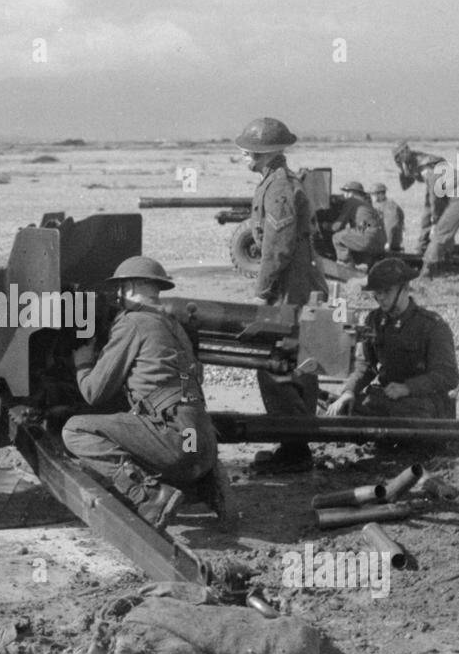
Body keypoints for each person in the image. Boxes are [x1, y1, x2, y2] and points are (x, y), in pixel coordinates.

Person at [62, 256, 222, 529]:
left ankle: (149, 495)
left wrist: (83, 361)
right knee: (156, 424)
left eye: (120, 289)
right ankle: (207, 486)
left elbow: (92, 393)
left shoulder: (133, 323)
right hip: (200, 442)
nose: (117, 296)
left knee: (75, 430)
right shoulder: (174, 324)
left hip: (175, 445)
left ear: (132, 287)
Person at [236, 116, 321, 473]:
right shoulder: (275, 182)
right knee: (295, 365)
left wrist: (262, 291)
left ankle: (295, 451)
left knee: (278, 366)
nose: (243, 157)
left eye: (247, 152)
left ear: (263, 154)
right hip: (295, 288)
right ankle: (294, 446)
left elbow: (278, 247)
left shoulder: (280, 188)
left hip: (289, 291)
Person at [325, 258, 459, 419]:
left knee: (412, 414)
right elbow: (366, 365)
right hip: (388, 398)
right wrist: (349, 391)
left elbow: (448, 375)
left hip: (423, 401)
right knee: (339, 406)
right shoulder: (374, 320)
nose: (380, 297)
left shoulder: (431, 325)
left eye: (387, 291)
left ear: (405, 289)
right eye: (377, 292)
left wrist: (408, 388)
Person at [393, 141, 459, 277]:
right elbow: (428, 205)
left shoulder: (426, 168)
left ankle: (426, 273)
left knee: (440, 232)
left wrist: (435, 222)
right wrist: (422, 241)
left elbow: (435, 197)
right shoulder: (426, 163)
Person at [332, 181, 386, 268]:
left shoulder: (351, 201)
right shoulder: (366, 203)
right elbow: (368, 224)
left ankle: (345, 264)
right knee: (351, 234)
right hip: (380, 241)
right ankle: (363, 263)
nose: (344, 194)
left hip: (369, 239)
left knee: (337, 237)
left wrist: (327, 226)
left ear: (352, 193)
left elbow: (338, 226)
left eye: (346, 192)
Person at [370, 182, 405, 252]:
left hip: (390, 243)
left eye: (373, 194)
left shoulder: (390, 206)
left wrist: (388, 242)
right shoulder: (376, 205)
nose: (371, 196)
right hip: (379, 239)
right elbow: (370, 222)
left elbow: (390, 225)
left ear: (381, 194)